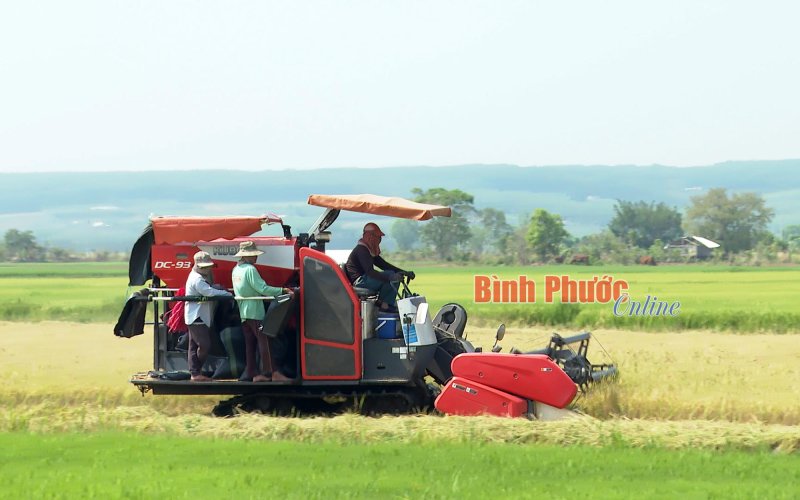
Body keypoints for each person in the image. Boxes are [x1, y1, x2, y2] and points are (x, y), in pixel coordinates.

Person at [232, 240, 294, 382]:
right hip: (255, 310)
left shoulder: (236, 269)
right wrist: (282, 290)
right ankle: (271, 373)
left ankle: (252, 373)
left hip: (243, 311)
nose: (256, 257)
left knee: (250, 343)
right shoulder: (250, 270)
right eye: (253, 255)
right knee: (264, 341)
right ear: (246, 256)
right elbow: (263, 289)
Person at [184, 251, 232, 381]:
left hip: (195, 315)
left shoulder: (197, 276)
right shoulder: (197, 279)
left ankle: (195, 372)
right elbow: (209, 292)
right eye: (204, 267)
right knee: (204, 345)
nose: (207, 269)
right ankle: (196, 372)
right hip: (197, 316)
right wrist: (227, 294)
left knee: (193, 346)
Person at [344, 222, 414, 312]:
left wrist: (403, 272)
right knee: (390, 275)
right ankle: (383, 305)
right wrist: (390, 276)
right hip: (359, 281)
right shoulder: (362, 250)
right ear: (371, 237)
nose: (379, 239)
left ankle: (384, 303)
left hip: (366, 279)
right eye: (378, 237)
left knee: (392, 274)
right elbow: (370, 272)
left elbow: (384, 265)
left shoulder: (369, 250)